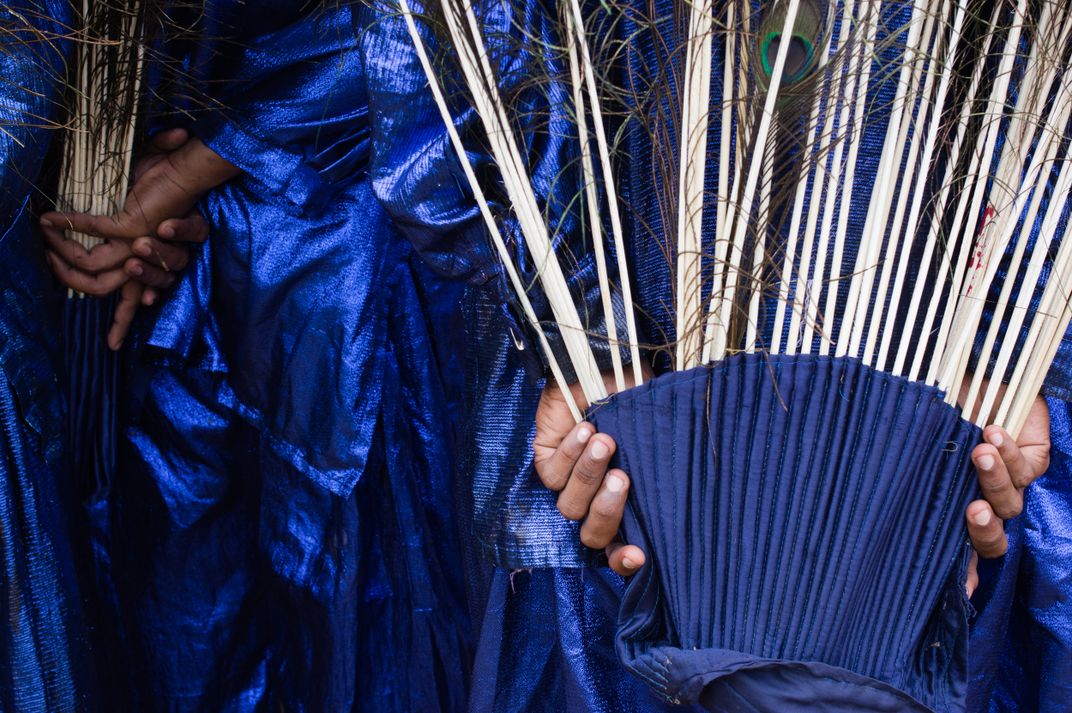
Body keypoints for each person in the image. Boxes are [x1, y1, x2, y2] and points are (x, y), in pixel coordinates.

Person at [360, 0, 1061, 709]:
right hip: (620, 392)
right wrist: (583, 332)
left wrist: (1010, 343)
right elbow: (446, 46)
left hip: (936, 385)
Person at [42, 3, 471, 710]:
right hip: (152, 280)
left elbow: (439, 30)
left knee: (358, 624)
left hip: (355, 256)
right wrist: (101, 194)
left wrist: (187, 171)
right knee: (182, 616)